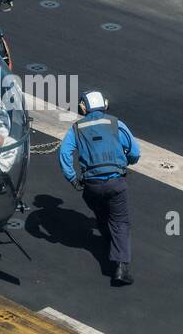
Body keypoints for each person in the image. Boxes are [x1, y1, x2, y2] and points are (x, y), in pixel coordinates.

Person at [58, 90, 140, 285]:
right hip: (115, 182)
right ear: (104, 104)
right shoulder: (115, 123)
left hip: (92, 185)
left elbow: (64, 154)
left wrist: (73, 178)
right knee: (120, 222)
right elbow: (135, 152)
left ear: (83, 107)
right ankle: (121, 268)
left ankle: (106, 234)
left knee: (100, 210)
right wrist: (125, 161)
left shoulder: (76, 128)